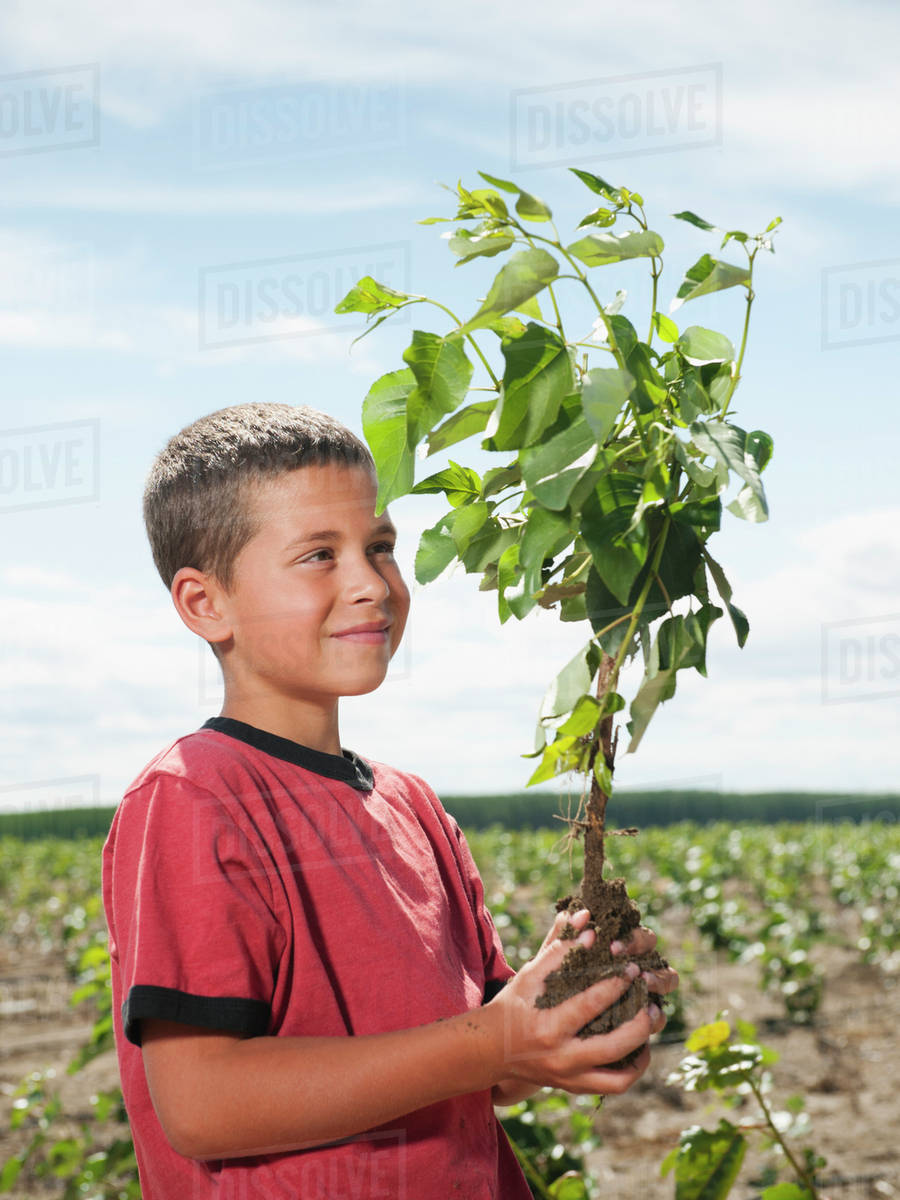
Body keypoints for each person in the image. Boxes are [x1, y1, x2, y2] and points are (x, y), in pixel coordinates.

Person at [102, 402, 678, 1199]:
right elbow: (203, 1104)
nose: (371, 584)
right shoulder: (195, 797)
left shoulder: (412, 805)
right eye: (318, 556)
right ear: (207, 604)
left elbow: (489, 1069)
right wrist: (493, 1040)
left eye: (380, 549)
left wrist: (559, 1015)